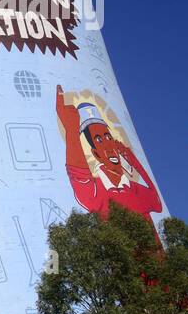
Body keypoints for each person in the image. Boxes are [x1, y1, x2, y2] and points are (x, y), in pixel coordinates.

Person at [55, 86, 161, 226]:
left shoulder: (135, 190)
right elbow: (78, 173)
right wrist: (72, 129)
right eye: (99, 140)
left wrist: (132, 160)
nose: (108, 147)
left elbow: (157, 204)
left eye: (108, 137)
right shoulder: (96, 192)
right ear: (95, 153)